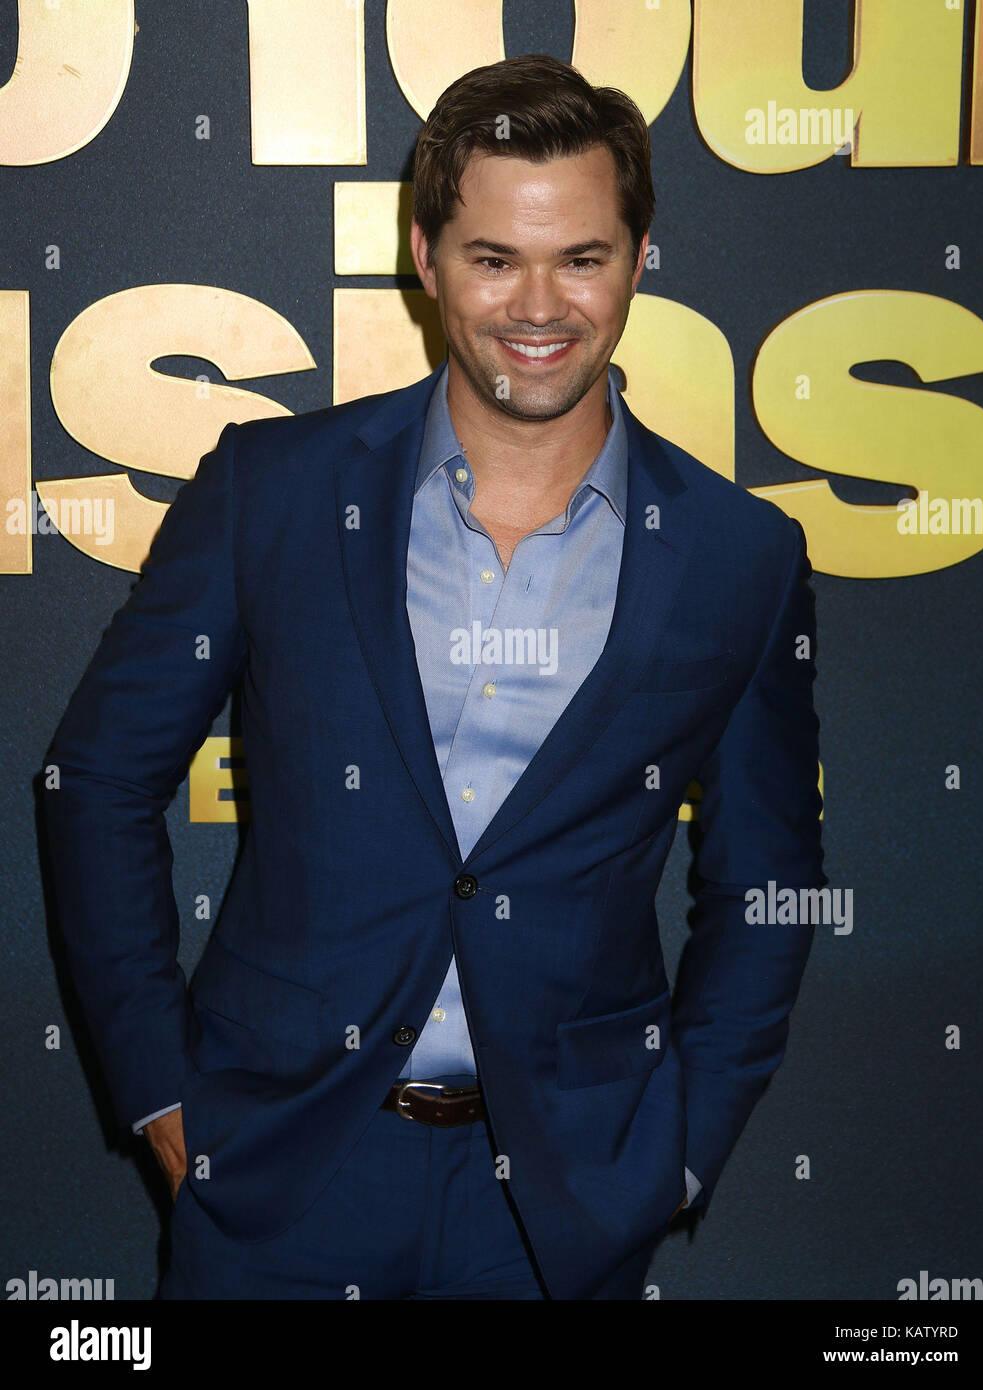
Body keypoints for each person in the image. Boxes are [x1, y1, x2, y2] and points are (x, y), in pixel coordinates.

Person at [42, 53, 826, 1300]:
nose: (540, 304)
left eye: (583, 256)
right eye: (492, 257)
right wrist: (159, 1093)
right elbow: (95, 780)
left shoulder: (740, 557)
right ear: (425, 255)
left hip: (563, 1210)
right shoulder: (272, 493)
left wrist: (677, 1151)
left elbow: (772, 883)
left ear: (638, 260)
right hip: (280, 1172)